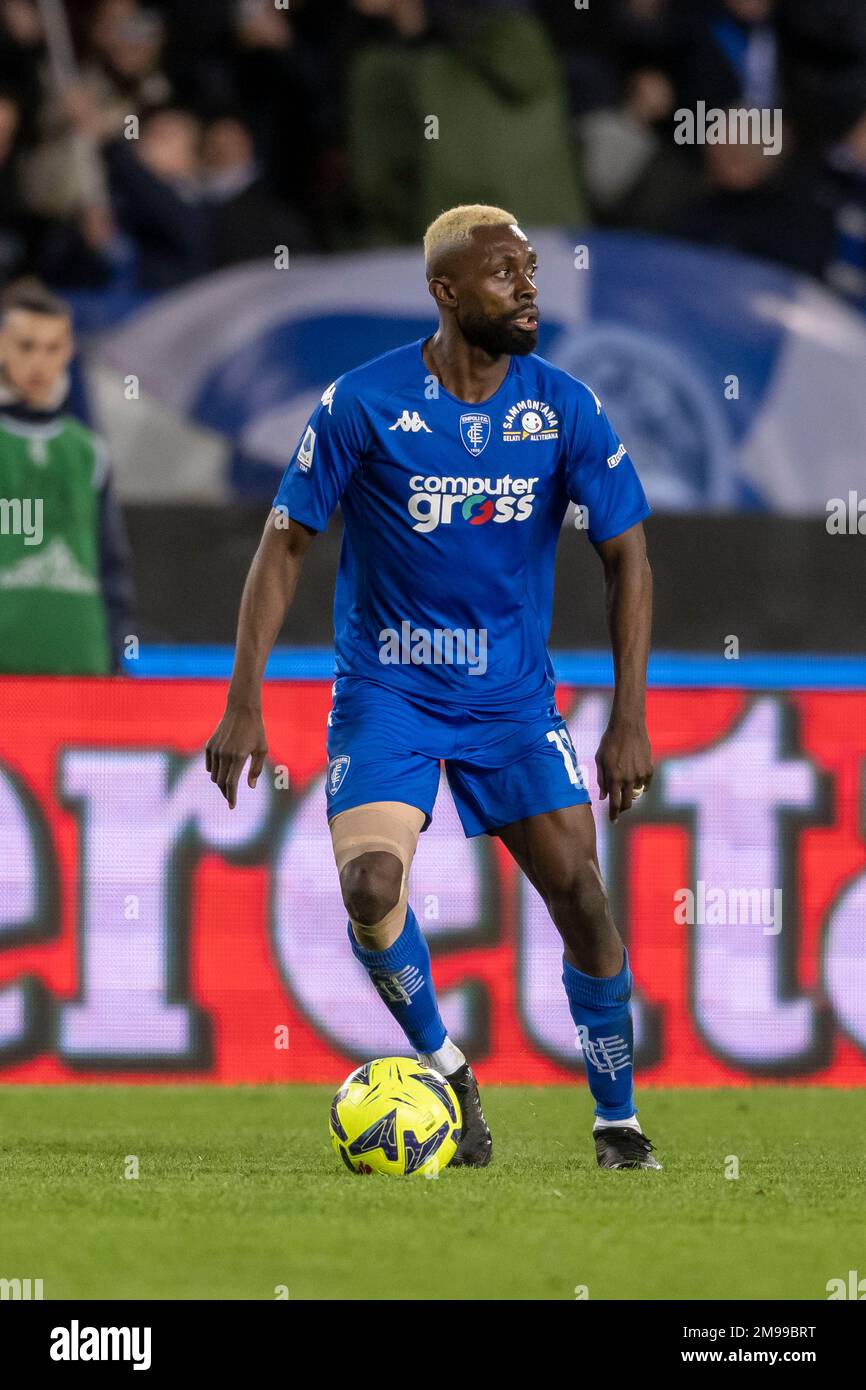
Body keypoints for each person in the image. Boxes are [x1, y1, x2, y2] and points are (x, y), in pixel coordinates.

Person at [206, 204, 659, 1171]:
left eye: (532, 270)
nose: (529, 288)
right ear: (446, 293)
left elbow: (628, 556)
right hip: (388, 696)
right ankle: (447, 1067)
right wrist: (243, 699)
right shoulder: (361, 403)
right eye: (505, 274)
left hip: (513, 706)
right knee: (371, 885)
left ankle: (616, 1122)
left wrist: (629, 718)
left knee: (582, 896)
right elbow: (284, 543)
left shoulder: (562, 406)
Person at [0, 278, 133, 674]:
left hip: (82, 670)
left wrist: (117, 662)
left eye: (52, 347)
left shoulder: (89, 452)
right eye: (26, 346)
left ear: (69, 352)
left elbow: (113, 569)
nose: (39, 361)